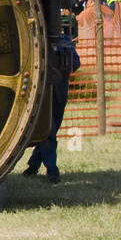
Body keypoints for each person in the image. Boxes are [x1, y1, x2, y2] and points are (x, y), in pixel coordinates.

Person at [23, 33, 81, 183]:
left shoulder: (63, 42)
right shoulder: (63, 42)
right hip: (51, 94)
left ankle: (34, 165)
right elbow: (75, 64)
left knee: (50, 129)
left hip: (57, 94)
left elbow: (75, 63)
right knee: (49, 131)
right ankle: (52, 170)